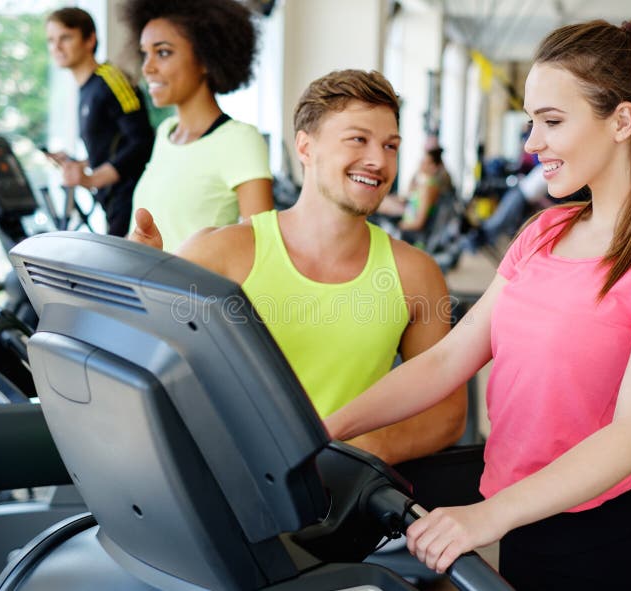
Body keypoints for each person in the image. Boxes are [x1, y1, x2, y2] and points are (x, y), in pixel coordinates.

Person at [325, 17, 631, 590]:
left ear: (622, 121)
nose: (532, 143)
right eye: (532, 121)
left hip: (600, 549)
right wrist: (325, 427)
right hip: (523, 530)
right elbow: (445, 360)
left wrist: (485, 517)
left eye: (552, 121)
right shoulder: (543, 232)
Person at [131, 69, 466, 465]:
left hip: (344, 498)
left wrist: (348, 455)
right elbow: (140, 370)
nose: (378, 160)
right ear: (305, 148)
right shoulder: (221, 253)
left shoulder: (415, 274)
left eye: (391, 146)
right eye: (358, 139)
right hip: (231, 492)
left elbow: (446, 415)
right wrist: (136, 284)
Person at [122, 0, 274, 253]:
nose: (147, 67)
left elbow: (262, 249)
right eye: (145, 54)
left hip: (193, 292)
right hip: (140, 289)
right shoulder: (166, 133)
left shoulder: (240, 140)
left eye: (163, 52)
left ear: (205, 59)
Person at [45, 7, 154, 237]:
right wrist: (81, 163)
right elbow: (114, 145)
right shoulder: (86, 89)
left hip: (132, 203)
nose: (56, 47)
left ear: (90, 39)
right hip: (112, 203)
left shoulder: (110, 79)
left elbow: (142, 141)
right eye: (51, 40)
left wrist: (93, 178)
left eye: (65, 37)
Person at [378, 138, 453, 236]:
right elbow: (410, 193)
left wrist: (398, 226)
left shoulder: (428, 188)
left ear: (433, 167)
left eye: (424, 162)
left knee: (380, 204)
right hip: (407, 218)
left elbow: (418, 223)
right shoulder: (425, 184)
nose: (420, 165)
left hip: (411, 232)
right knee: (382, 202)